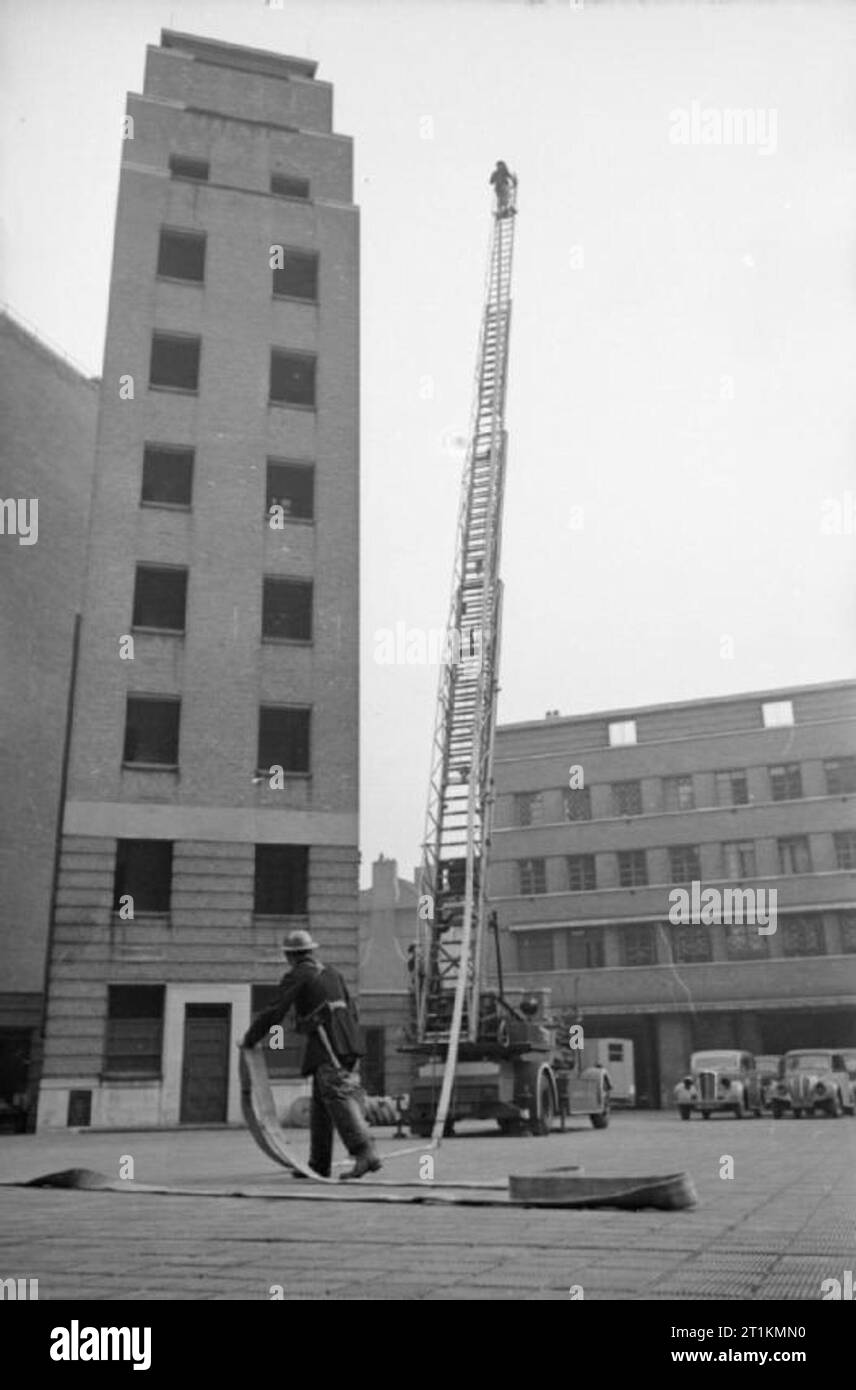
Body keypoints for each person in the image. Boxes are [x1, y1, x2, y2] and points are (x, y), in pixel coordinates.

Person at [242, 929, 381, 1180]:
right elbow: (352, 1009)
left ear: (290, 956)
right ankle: (319, 1163)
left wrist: (251, 1038)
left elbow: (276, 1011)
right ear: (311, 951)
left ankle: (364, 1152)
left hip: (329, 1044)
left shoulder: (298, 975)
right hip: (348, 1042)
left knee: (336, 1097)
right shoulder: (332, 973)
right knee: (321, 1105)